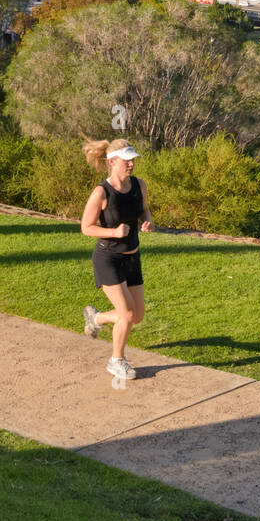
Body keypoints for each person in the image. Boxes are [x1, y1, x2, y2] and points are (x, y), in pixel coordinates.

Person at [80, 138, 153, 382]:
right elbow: (86, 228)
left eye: (132, 160)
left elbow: (144, 208)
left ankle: (97, 318)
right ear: (112, 162)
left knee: (137, 316)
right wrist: (112, 232)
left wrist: (147, 220)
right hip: (108, 259)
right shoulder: (102, 192)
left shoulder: (139, 185)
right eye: (126, 160)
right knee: (126, 313)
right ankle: (116, 361)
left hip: (132, 258)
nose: (131, 164)